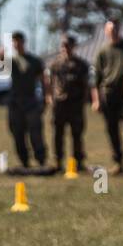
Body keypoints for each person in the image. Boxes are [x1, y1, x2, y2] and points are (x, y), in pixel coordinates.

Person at [92, 19, 123, 174]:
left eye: (116, 29)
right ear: (106, 31)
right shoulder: (102, 52)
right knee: (113, 131)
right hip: (108, 96)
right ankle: (118, 163)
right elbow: (96, 79)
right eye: (110, 29)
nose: (113, 32)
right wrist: (96, 100)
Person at [47, 34, 91, 171]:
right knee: (58, 134)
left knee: (77, 134)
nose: (66, 48)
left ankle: (78, 162)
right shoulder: (55, 64)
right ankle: (58, 161)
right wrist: (49, 97)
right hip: (59, 104)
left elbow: (86, 85)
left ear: (73, 46)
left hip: (75, 104)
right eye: (63, 46)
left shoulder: (81, 65)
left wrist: (83, 101)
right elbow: (49, 82)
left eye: (68, 45)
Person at [3, 32, 47, 168]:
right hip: (15, 103)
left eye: (18, 41)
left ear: (23, 42)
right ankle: (24, 161)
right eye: (14, 42)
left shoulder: (34, 61)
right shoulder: (11, 61)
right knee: (17, 133)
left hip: (31, 102)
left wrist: (45, 99)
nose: (16, 44)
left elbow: (43, 80)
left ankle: (41, 160)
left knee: (35, 133)